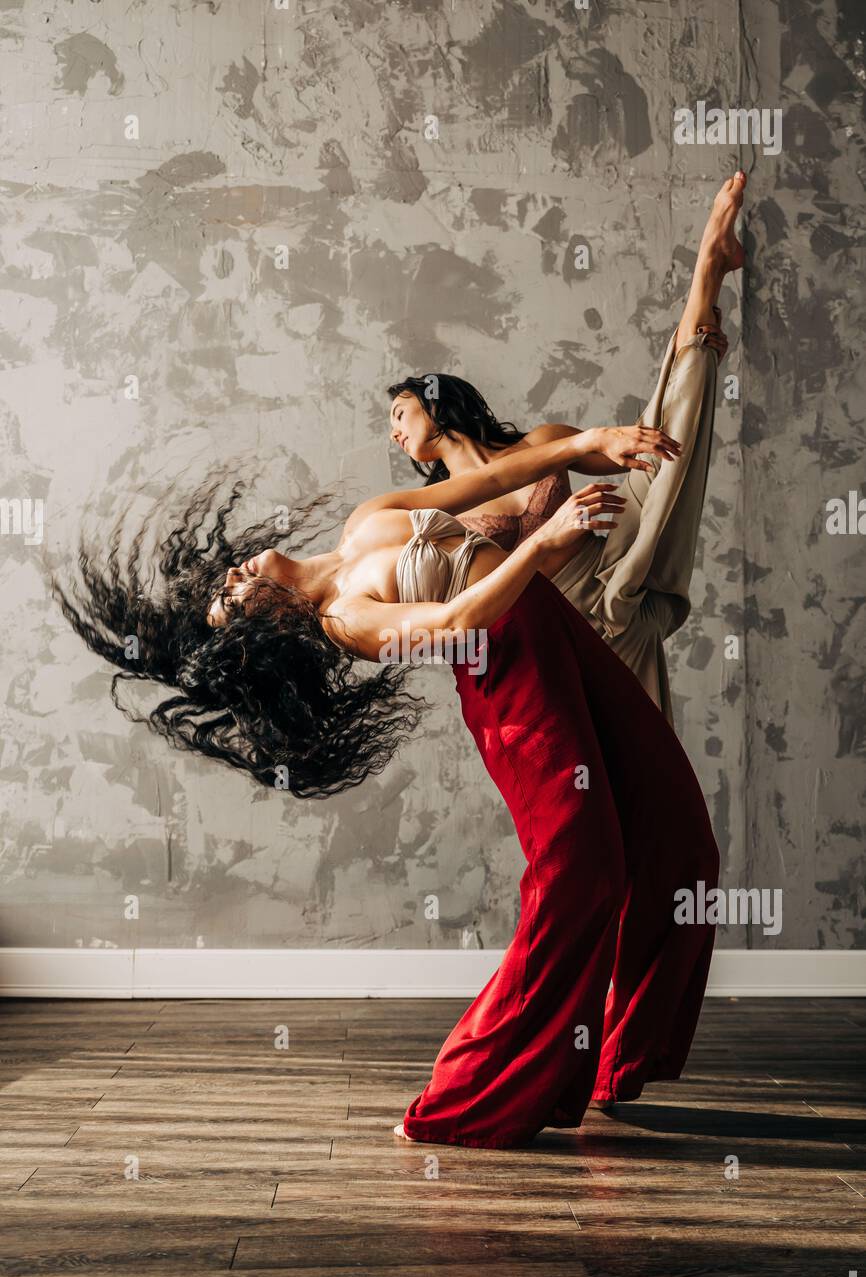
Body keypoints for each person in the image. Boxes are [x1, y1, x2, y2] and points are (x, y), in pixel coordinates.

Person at [58, 399, 719, 1148]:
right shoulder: (347, 620)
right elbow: (453, 626)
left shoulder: (365, 523)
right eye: (229, 603)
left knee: (679, 834)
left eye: (222, 585)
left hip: (552, 630)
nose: (231, 581)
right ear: (269, 627)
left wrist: (594, 440)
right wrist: (544, 548)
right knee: (583, 875)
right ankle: (463, 1097)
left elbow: (484, 483)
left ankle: (621, 1059)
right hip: (511, 675)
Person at [387, 172, 746, 723]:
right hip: (571, 624)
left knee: (664, 441)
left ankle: (707, 272)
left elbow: (639, 454)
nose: (395, 431)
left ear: (436, 402)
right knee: (647, 755)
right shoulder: (441, 511)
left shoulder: (544, 443)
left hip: (621, 552)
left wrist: (682, 384)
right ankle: (695, 342)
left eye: (399, 411)